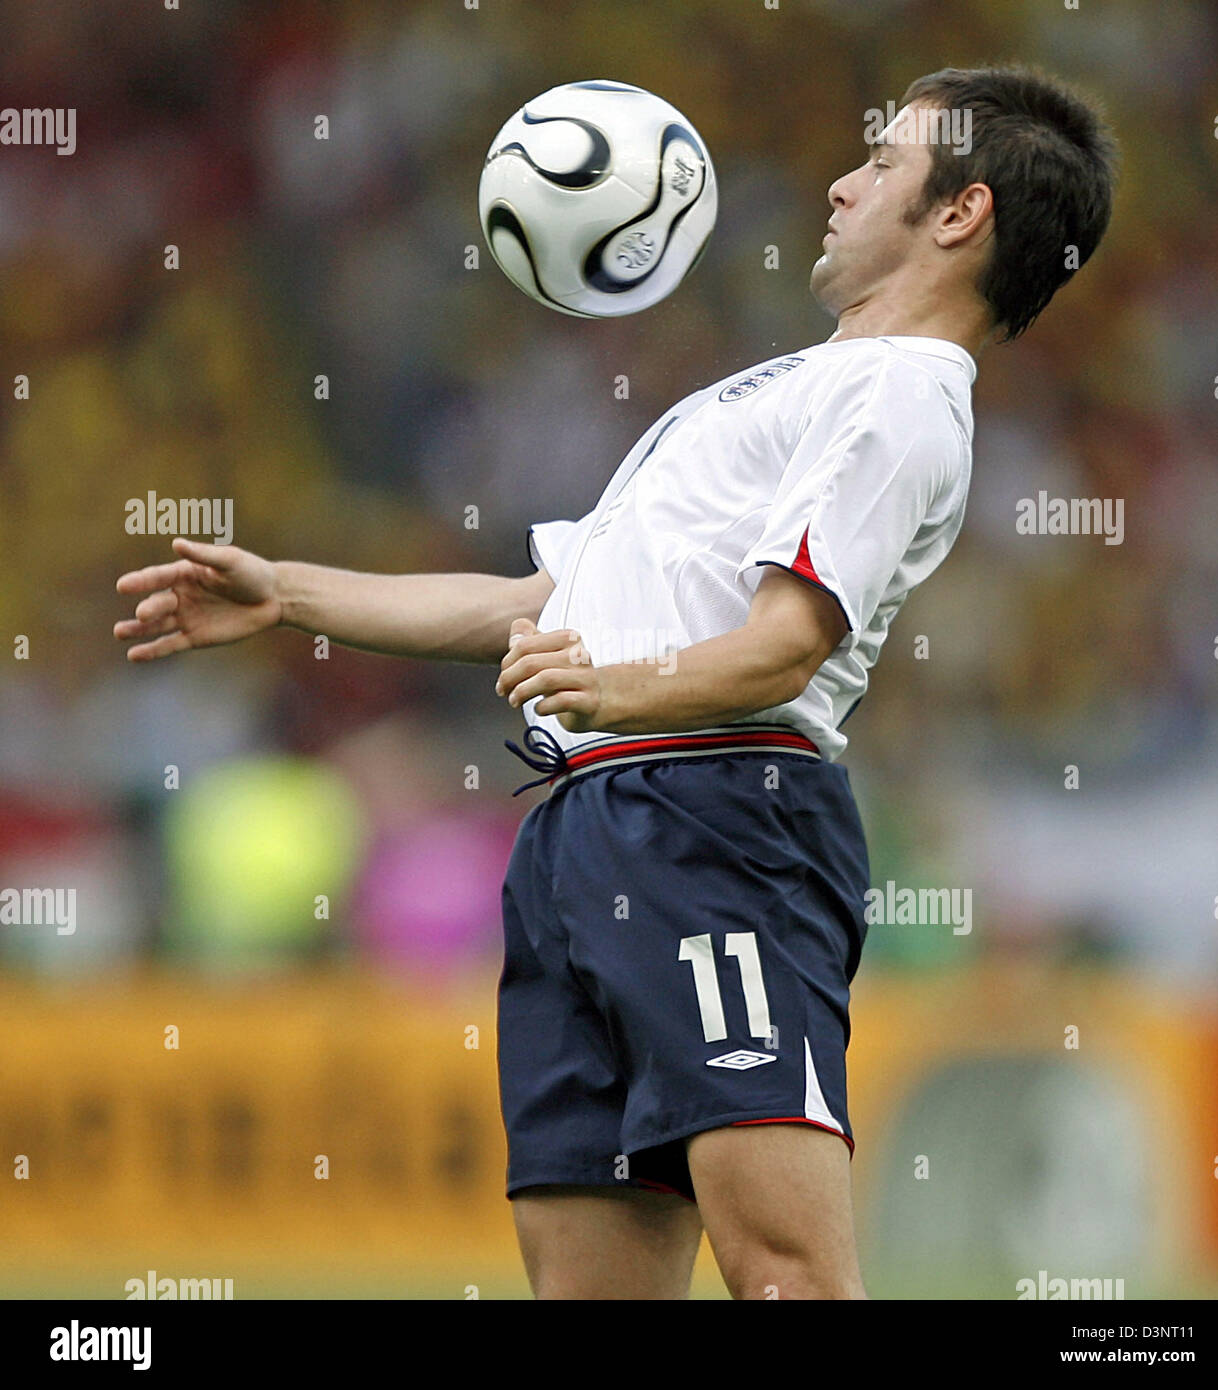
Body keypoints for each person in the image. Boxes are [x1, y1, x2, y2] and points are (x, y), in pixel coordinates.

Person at [114, 66, 1117, 1299]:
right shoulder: (788, 390)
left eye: (884, 163)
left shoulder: (900, 395)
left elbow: (782, 645)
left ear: (961, 214)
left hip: (716, 823)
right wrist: (290, 593)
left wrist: (610, 691)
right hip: (588, 833)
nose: (842, 182)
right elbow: (531, 611)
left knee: (786, 1274)